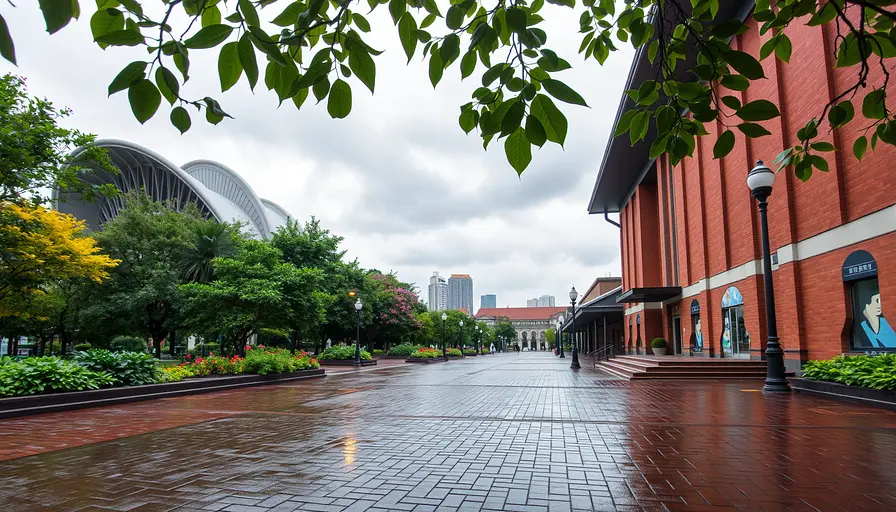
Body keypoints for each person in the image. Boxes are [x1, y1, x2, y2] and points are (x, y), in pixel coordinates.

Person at [855, 281, 896, 348]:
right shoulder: (863, 326)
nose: (879, 305)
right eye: (877, 301)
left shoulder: (885, 322)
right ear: (867, 305)